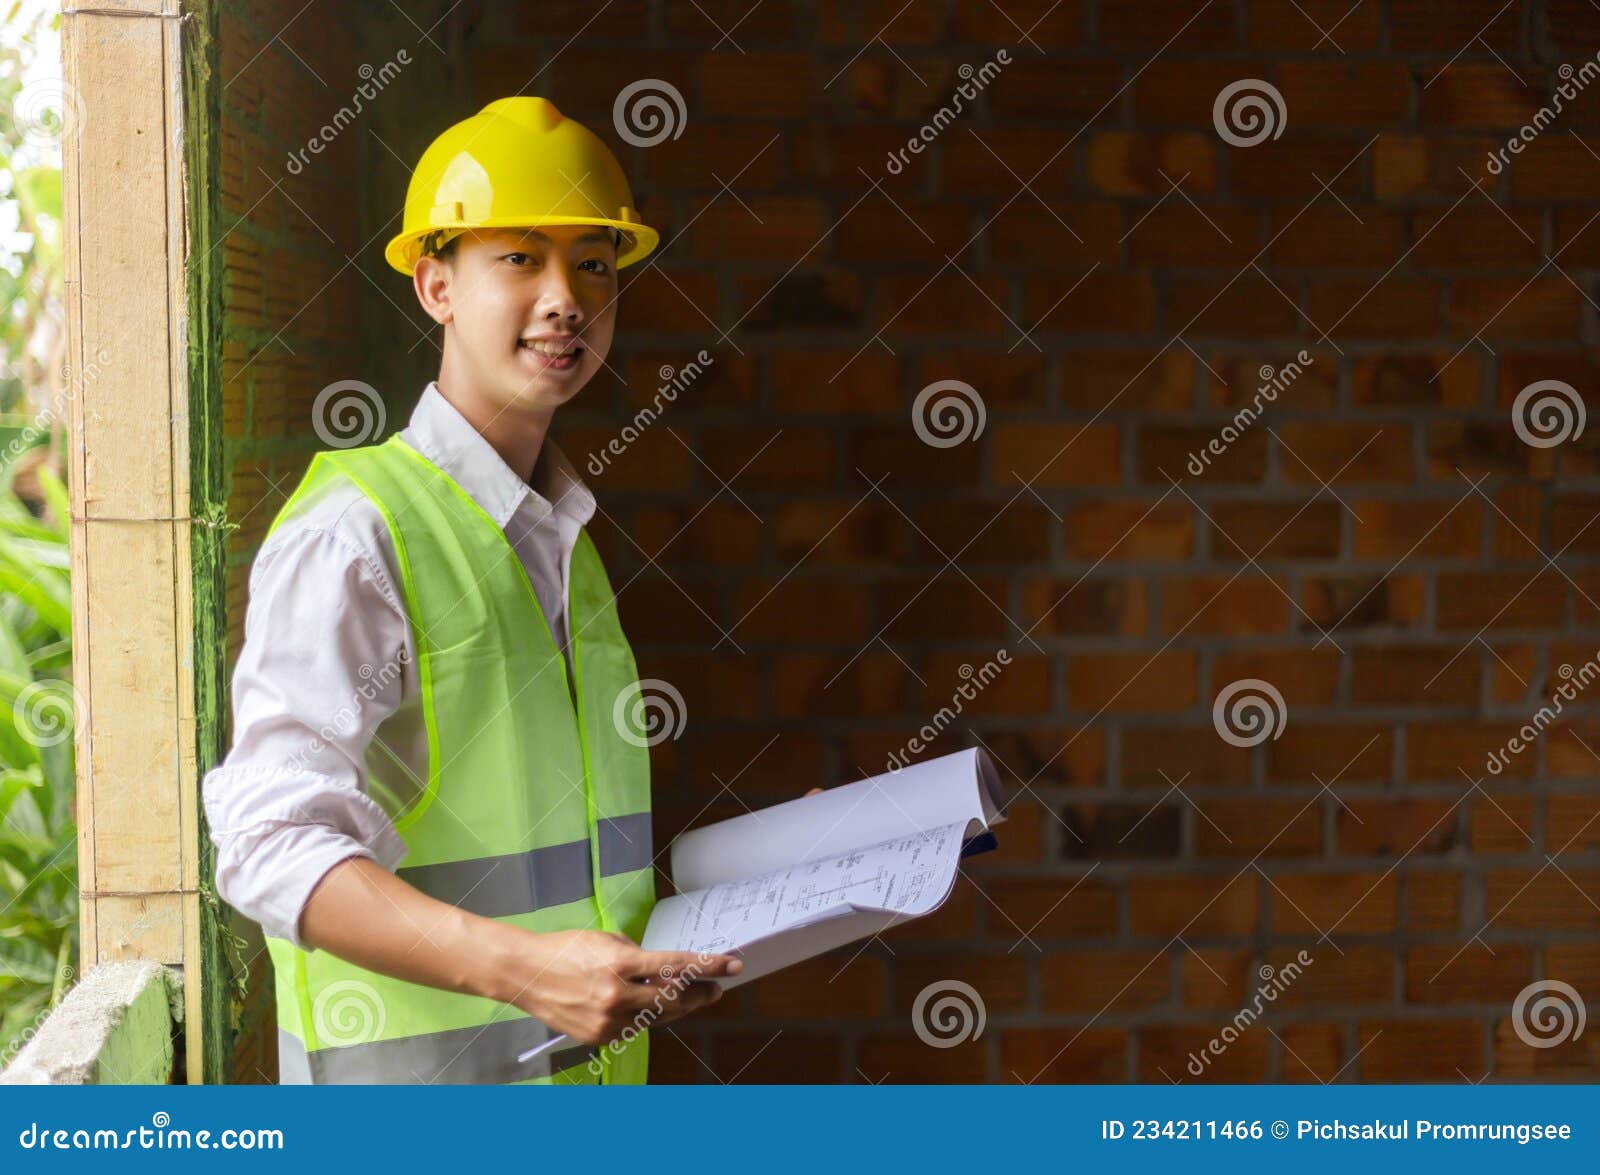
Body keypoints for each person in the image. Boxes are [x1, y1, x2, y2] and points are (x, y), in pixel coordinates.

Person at [203, 96, 765, 1085]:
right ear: (435, 286)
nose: (566, 299)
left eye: (593, 263)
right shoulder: (357, 533)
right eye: (519, 257)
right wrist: (523, 971)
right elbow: (267, 838)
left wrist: (774, 866)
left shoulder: (560, 537)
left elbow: (562, 858)